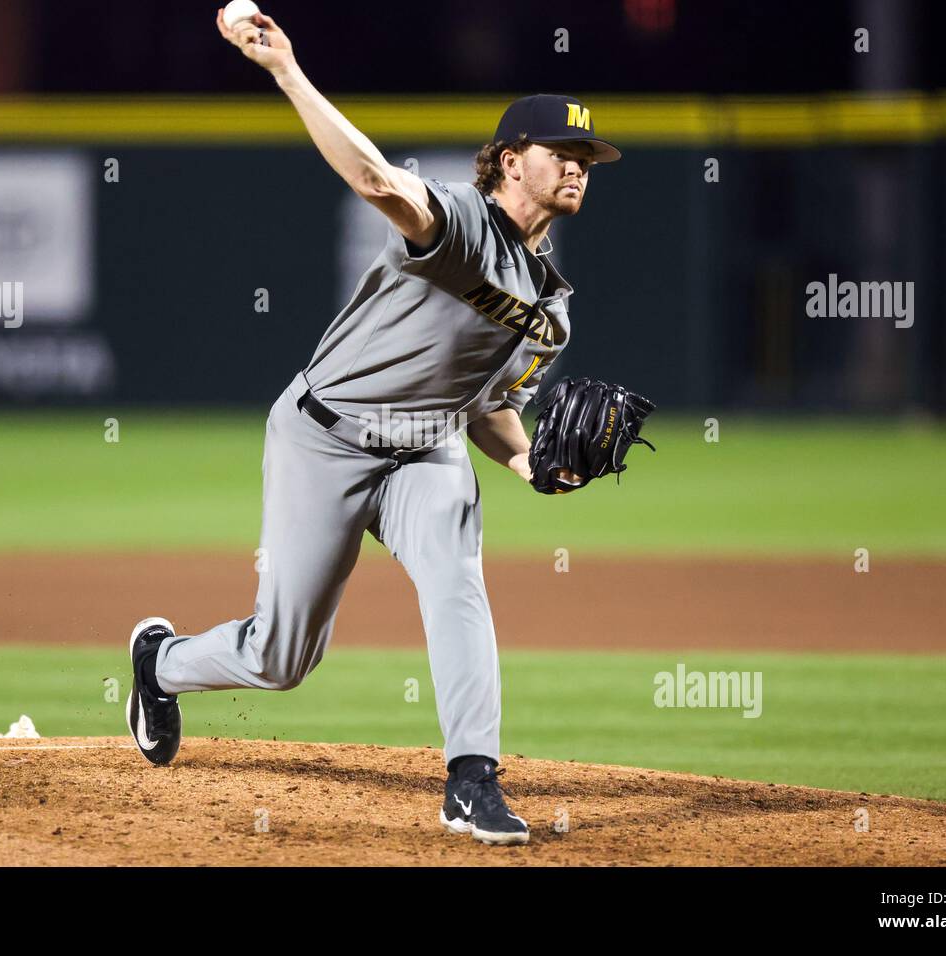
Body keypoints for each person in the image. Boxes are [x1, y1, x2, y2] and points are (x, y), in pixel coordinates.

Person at [126, 9, 621, 846]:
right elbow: (378, 182)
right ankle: (160, 664)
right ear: (509, 162)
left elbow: (486, 407)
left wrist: (534, 465)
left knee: (456, 576)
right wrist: (286, 68)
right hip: (324, 436)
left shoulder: (552, 315)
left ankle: (472, 781)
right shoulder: (459, 220)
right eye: (559, 151)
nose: (577, 164)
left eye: (586, 157)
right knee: (282, 658)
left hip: (425, 448)